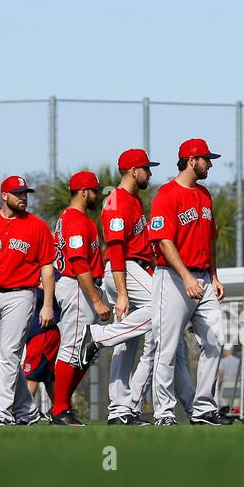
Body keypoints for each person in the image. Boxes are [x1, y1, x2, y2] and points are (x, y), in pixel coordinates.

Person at [149, 138, 227, 426]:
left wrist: (215, 276)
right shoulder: (166, 195)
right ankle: (164, 413)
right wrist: (185, 277)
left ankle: (203, 408)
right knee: (166, 348)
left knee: (215, 340)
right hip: (172, 278)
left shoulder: (205, 195)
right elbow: (164, 242)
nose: (210, 163)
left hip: (204, 277)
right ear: (192, 160)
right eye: (207, 159)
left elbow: (211, 239)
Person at [0, 175, 55, 427]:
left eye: (25, 193)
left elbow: (47, 268)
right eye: (18, 193)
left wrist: (47, 303)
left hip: (21, 294)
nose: (23, 198)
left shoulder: (37, 226)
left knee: (9, 354)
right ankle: (27, 409)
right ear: (4, 196)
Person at [84, 148, 159, 426]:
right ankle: (97, 336)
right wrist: (123, 291)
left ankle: (119, 410)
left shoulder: (134, 201)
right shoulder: (117, 201)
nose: (150, 173)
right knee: (159, 307)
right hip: (123, 268)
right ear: (133, 171)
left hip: (133, 268)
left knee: (127, 343)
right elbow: (115, 248)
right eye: (146, 169)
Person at [50, 171, 109, 426]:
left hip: (81, 285)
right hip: (76, 286)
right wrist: (96, 300)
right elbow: (78, 262)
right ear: (83, 192)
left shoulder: (76, 218)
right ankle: (60, 410)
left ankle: (62, 406)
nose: (97, 195)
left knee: (86, 350)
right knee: (73, 347)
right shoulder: (75, 220)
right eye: (95, 190)